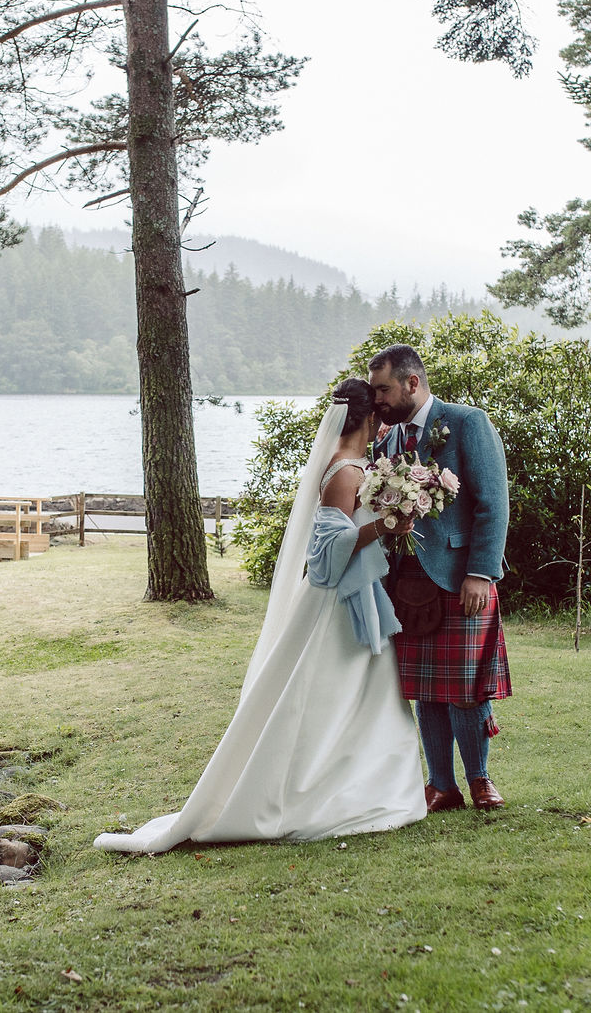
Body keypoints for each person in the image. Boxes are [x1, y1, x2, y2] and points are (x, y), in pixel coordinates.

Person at [94, 378, 426, 853]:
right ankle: (330, 792)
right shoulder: (347, 470)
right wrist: (389, 523)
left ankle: (362, 782)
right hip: (333, 603)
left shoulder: (349, 465)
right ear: (369, 419)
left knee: (357, 695)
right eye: (377, 418)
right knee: (334, 695)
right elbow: (329, 553)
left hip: (352, 595)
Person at [368, 344, 512, 812]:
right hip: (406, 584)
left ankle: (480, 779)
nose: (378, 400)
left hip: (459, 578)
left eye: (384, 389)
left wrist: (480, 572)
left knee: (466, 688)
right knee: (424, 688)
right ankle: (441, 785)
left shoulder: (468, 422)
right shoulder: (387, 439)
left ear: (413, 382)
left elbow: (494, 502)